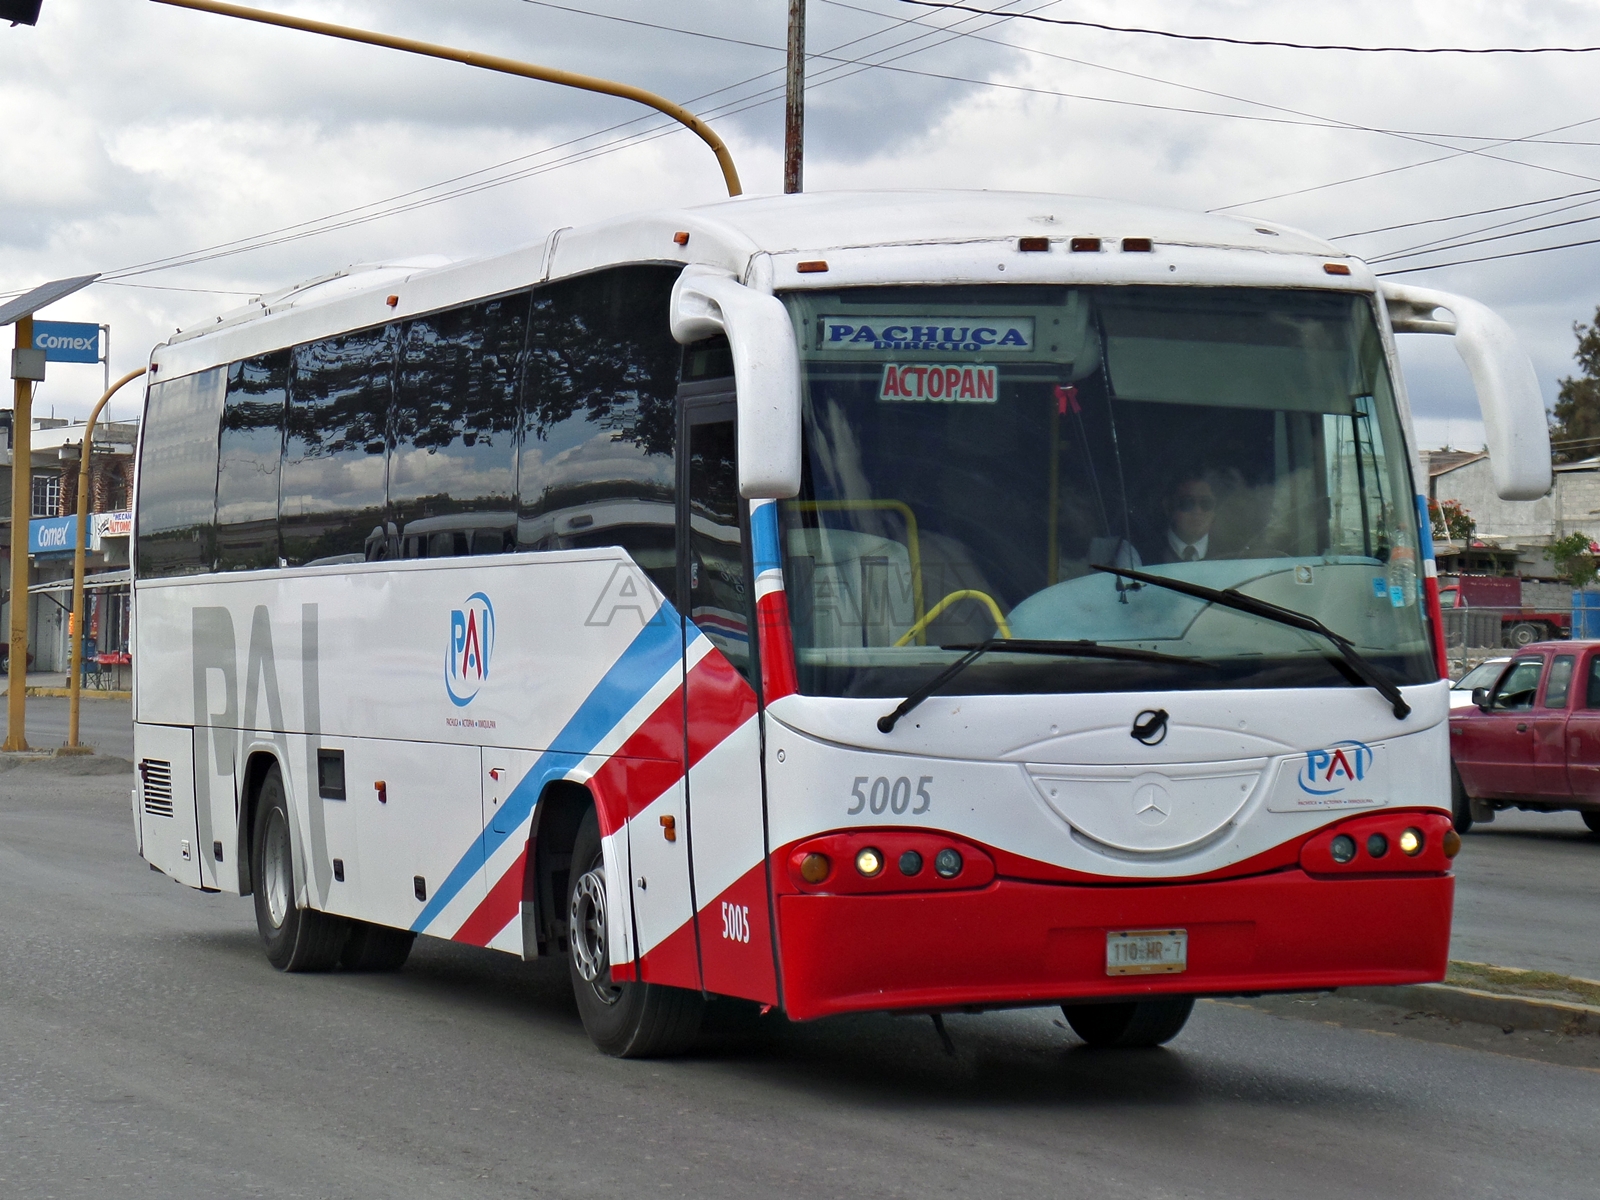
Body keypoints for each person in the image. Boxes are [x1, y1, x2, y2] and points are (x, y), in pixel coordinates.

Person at [1144, 469, 1218, 564]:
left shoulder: (1231, 552)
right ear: (1168, 506)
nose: (1197, 511)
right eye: (1187, 503)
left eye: (1206, 503)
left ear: (1215, 510)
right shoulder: (1144, 552)